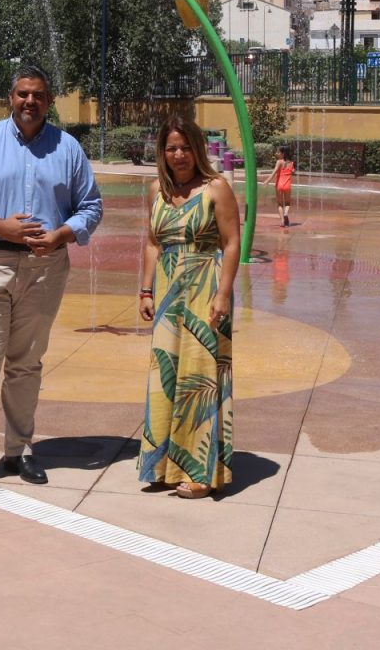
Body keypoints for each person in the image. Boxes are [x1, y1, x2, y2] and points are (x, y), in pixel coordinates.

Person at [0, 65, 103, 495]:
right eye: (23, 94)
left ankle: (18, 450)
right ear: (10, 98)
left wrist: (62, 234)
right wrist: (0, 227)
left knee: (26, 364)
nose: (30, 101)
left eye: (39, 95)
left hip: (44, 270)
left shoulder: (68, 148)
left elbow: (91, 206)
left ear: (49, 101)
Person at [137, 115, 240, 499]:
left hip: (206, 288)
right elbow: (152, 242)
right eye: (171, 148)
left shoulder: (216, 188)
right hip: (168, 292)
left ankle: (201, 473)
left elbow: (232, 243)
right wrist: (145, 290)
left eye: (184, 147)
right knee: (165, 377)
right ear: (162, 152)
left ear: (197, 149)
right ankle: (163, 465)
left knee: (201, 377)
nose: (178, 155)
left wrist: (223, 294)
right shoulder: (156, 191)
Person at [264, 146, 296, 227]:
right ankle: (286, 213)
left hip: (279, 185)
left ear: (283, 154)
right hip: (287, 185)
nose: (276, 153)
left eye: (278, 152)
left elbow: (274, 172)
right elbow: (293, 171)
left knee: (280, 204)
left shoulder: (279, 162)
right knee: (288, 203)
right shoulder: (291, 163)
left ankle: (282, 221)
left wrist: (267, 181)